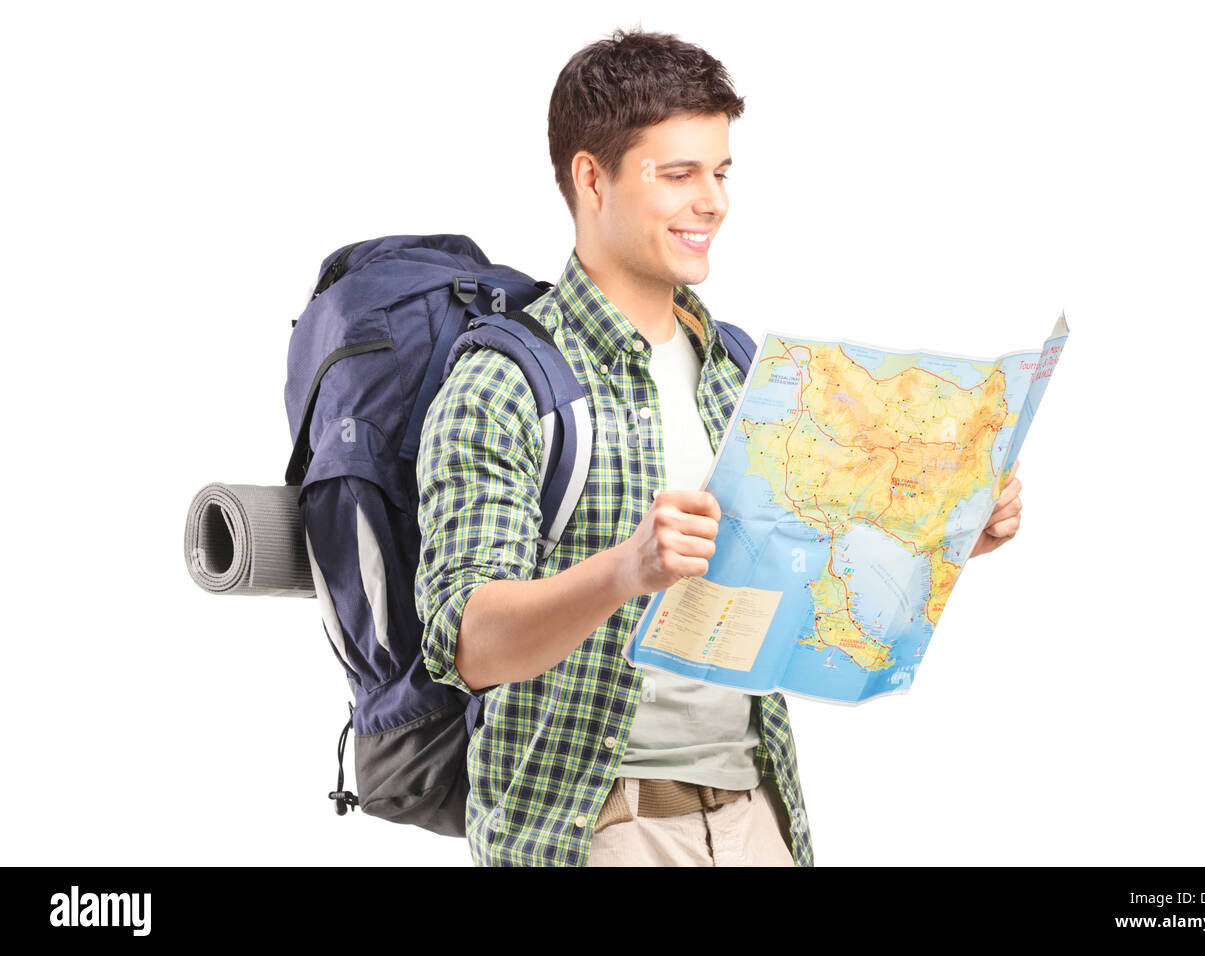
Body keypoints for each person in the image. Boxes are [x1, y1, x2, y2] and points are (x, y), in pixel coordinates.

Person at [414, 27, 1024, 868]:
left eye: (721, 171)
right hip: (598, 831)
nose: (714, 202)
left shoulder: (740, 369)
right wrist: (629, 569)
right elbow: (465, 641)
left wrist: (944, 527)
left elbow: (804, 570)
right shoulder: (504, 383)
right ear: (592, 178)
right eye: (679, 174)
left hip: (759, 813)